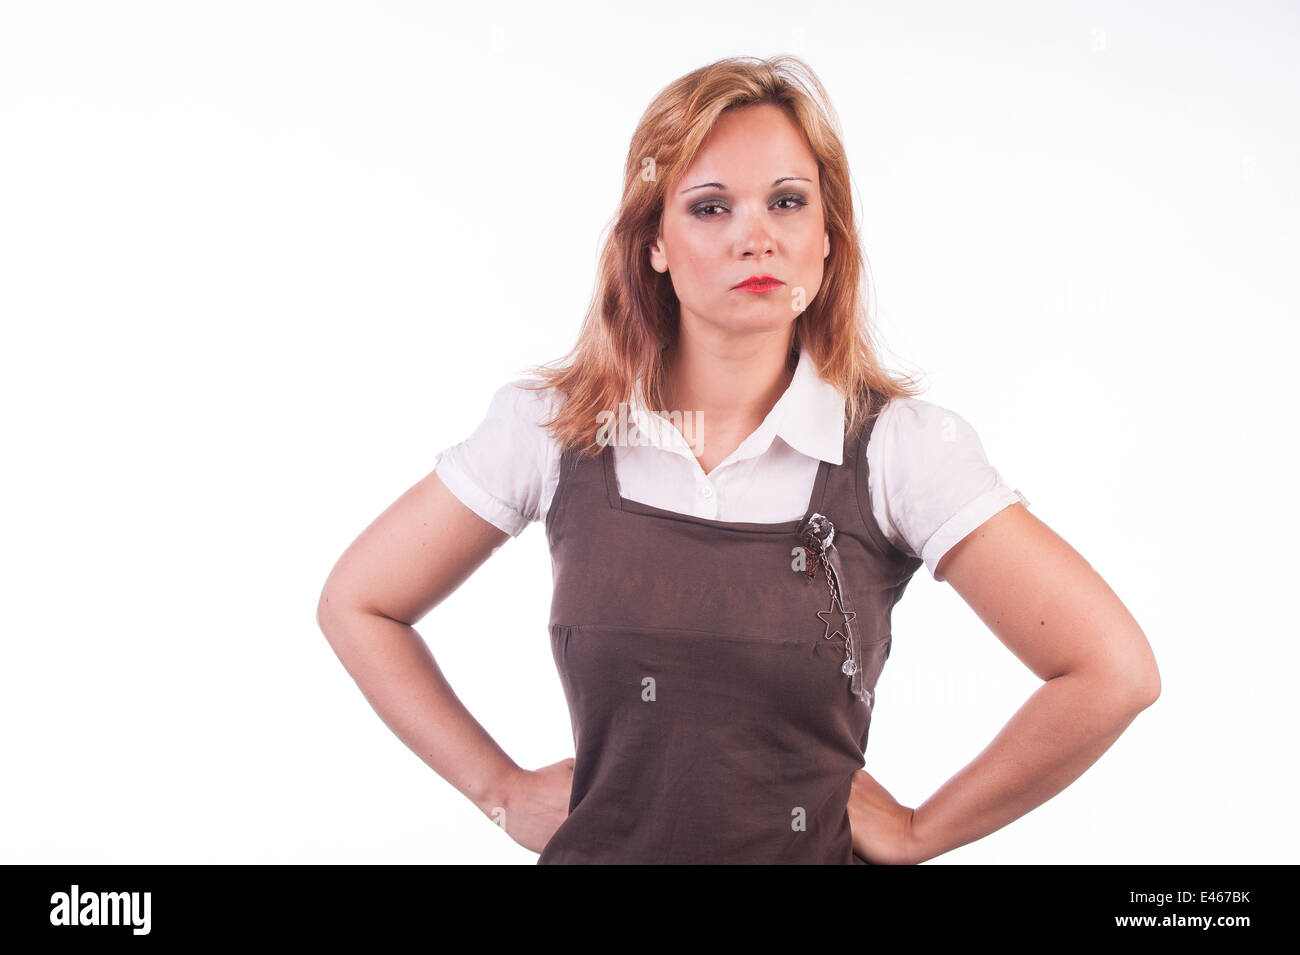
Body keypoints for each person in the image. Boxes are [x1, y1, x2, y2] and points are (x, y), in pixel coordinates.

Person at [316, 54, 1160, 864]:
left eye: (787, 202)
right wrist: (496, 788)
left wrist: (920, 829)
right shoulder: (555, 428)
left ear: (827, 239)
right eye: (712, 207)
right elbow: (359, 603)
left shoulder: (900, 451)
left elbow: (1111, 670)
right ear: (652, 242)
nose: (756, 237)